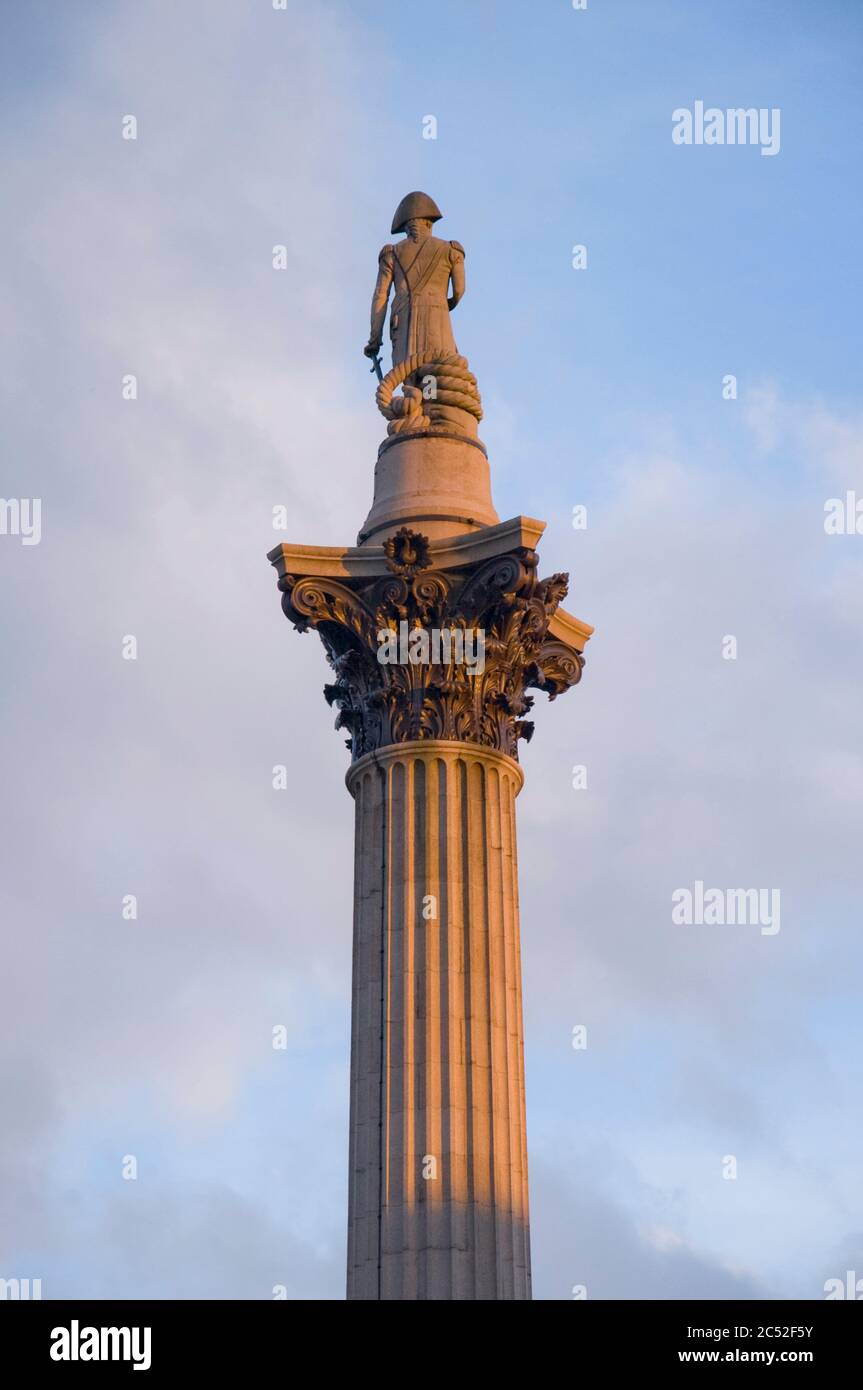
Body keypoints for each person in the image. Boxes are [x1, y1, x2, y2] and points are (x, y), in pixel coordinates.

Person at [364, 192, 465, 369]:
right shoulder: (450, 250)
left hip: (404, 331)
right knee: (435, 382)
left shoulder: (391, 254)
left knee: (411, 384)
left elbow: (380, 297)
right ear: (428, 222)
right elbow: (459, 290)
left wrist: (374, 340)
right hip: (438, 325)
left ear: (407, 227)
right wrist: (447, 303)